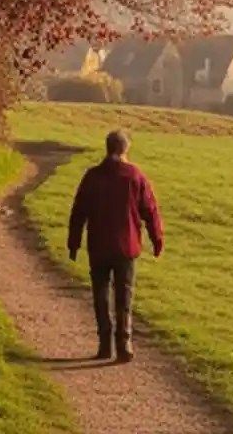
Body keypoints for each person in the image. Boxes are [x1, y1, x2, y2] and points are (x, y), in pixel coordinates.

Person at [67, 130, 164, 363]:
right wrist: (156, 239)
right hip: (126, 246)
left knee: (100, 294)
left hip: (99, 245)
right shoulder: (135, 176)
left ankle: (104, 344)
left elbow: (78, 212)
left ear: (107, 148)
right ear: (125, 149)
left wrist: (74, 243)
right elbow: (150, 210)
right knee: (124, 296)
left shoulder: (92, 176)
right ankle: (125, 343)